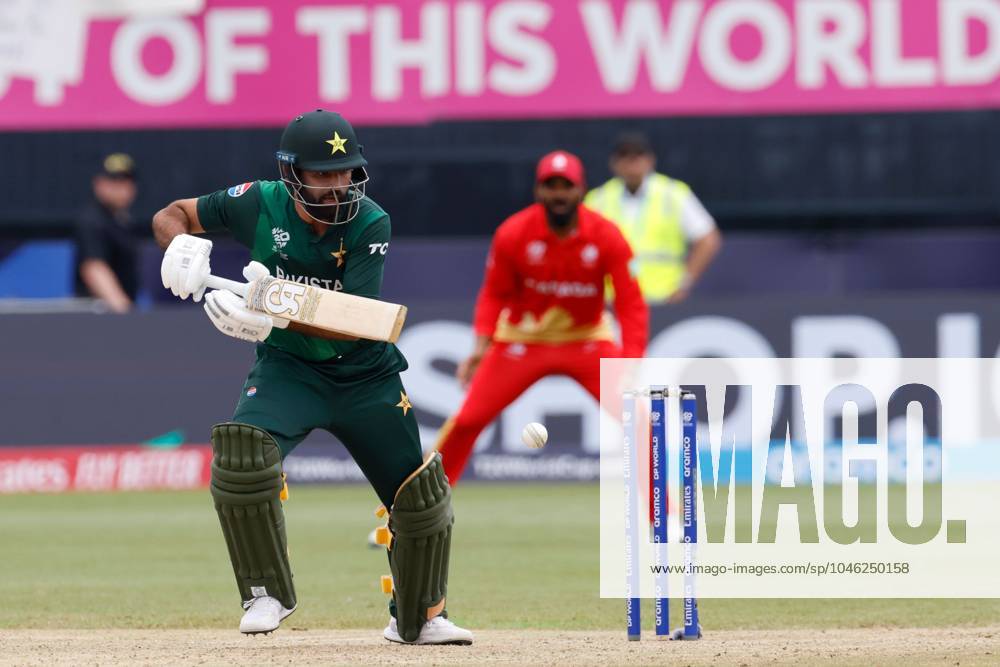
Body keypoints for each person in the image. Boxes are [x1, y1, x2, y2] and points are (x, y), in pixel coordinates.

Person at [150, 110, 472, 646]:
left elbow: (357, 320)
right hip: (289, 369)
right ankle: (265, 593)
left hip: (365, 376)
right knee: (242, 455)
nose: (339, 184)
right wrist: (180, 248)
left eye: (346, 172)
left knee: (418, 496)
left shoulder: (371, 221)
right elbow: (173, 213)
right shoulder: (258, 200)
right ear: (292, 171)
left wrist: (266, 307)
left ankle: (420, 616)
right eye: (324, 174)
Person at [435, 150, 649, 484]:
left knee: (639, 422)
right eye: (551, 186)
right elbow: (494, 294)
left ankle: (666, 518)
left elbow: (631, 303)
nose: (559, 194)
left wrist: (631, 360)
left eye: (567, 186)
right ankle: (413, 520)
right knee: (465, 422)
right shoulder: (514, 232)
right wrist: (480, 348)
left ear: (581, 190)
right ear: (538, 191)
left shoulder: (606, 235)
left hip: (586, 340)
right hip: (522, 339)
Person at [585, 133, 722, 303]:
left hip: (662, 298)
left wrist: (683, 285)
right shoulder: (598, 199)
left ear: (650, 160)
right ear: (614, 163)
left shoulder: (673, 194)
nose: (632, 161)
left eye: (638, 155)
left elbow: (708, 239)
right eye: (625, 155)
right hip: (613, 301)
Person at [74, 153, 140, 312]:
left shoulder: (123, 222)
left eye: (126, 181)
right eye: (113, 182)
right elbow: (94, 267)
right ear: (98, 184)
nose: (121, 188)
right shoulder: (92, 220)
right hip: (98, 314)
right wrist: (124, 309)